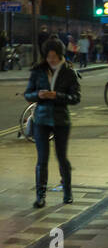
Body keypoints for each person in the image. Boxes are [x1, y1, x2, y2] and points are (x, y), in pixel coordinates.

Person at [23, 38, 80, 207]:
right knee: (42, 159)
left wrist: (57, 96)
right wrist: (38, 95)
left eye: (54, 57)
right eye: (48, 57)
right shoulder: (38, 71)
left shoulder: (69, 72)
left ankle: (68, 192)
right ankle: (40, 196)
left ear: (60, 55)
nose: (51, 60)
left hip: (61, 119)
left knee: (62, 157)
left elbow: (76, 98)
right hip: (41, 119)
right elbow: (28, 94)